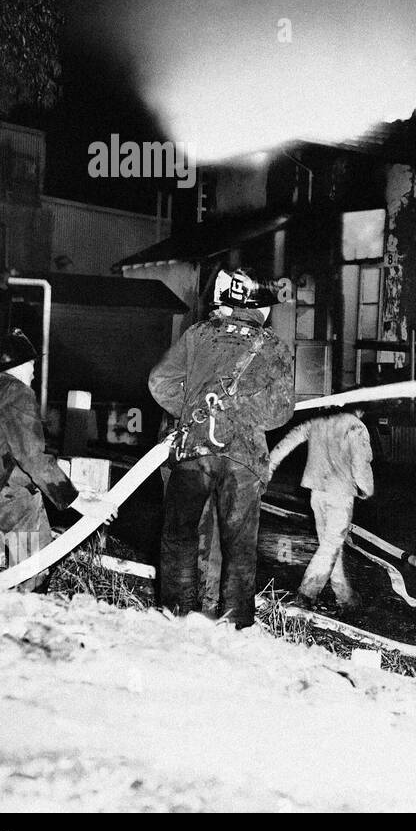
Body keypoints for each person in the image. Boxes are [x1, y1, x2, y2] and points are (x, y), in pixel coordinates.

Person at [149, 268, 294, 628]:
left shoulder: (199, 333)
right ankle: (236, 626)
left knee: (179, 536)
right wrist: (242, 417)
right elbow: (280, 410)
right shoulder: (274, 346)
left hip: (194, 448)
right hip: (243, 457)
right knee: (239, 546)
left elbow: (159, 381)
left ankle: (177, 617)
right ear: (261, 309)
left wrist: (192, 409)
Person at [0, 330, 116, 589]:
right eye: (31, 365)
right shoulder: (17, 393)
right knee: (28, 501)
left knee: (17, 497)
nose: (33, 372)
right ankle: (32, 582)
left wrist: (72, 486)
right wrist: (81, 502)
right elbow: (32, 457)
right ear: (16, 367)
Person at [267, 407, 374, 608]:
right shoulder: (355, 426)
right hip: (340, 494)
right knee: (331, 545)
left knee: (330, 545)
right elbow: (361, 464)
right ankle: (306, 594)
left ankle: (345, 596)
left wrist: (270, 465)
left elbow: (290, 439)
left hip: (316, 493)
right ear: (360, 409)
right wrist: (367, 490)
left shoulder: (318, 421)